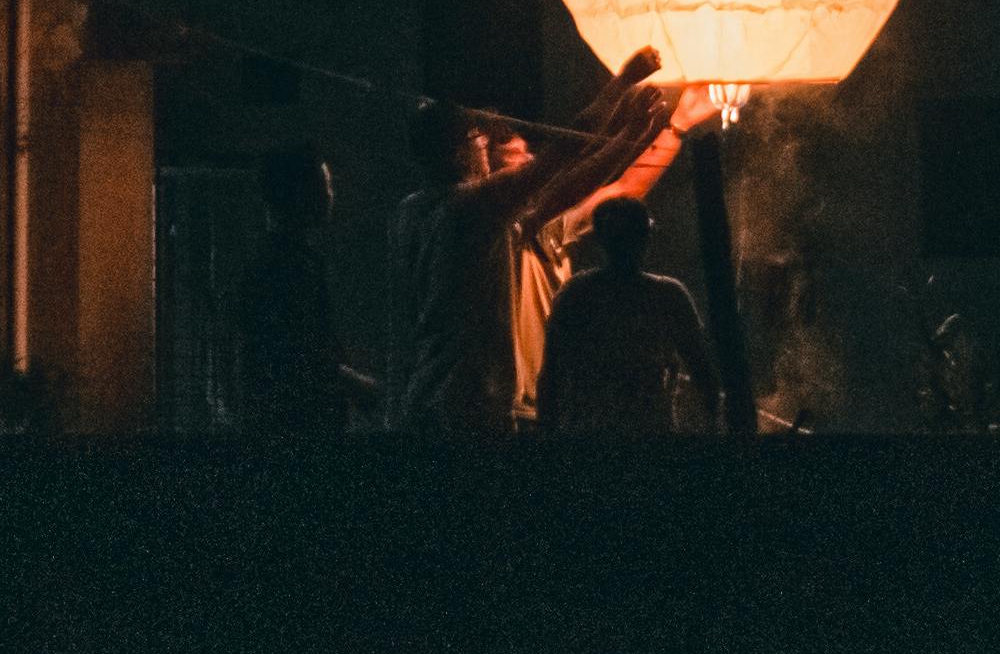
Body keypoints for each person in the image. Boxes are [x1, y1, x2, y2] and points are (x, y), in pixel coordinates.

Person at [390, 52, 670, 433]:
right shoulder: (477, 206)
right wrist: (624, 81)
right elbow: (568, 153)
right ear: (458, 149)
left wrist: (631, 136)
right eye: (478, 138)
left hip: (423, 396)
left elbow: (572, 183)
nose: (484, 144)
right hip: (469, 403)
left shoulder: (411, 211)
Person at [534, 195, 722, 435]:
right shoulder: (668, 295)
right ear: (647, 236)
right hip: (649, 428)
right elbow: (703, 373)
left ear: (599, 238)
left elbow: (551, 377)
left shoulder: (576, 294)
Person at [237, 148, 378, 439]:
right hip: (297, 428)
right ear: (299, 195)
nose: (330, 195)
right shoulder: (288, 267)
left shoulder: (274, 260)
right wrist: (355, 384)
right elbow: (300, 353)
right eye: (324, 185)